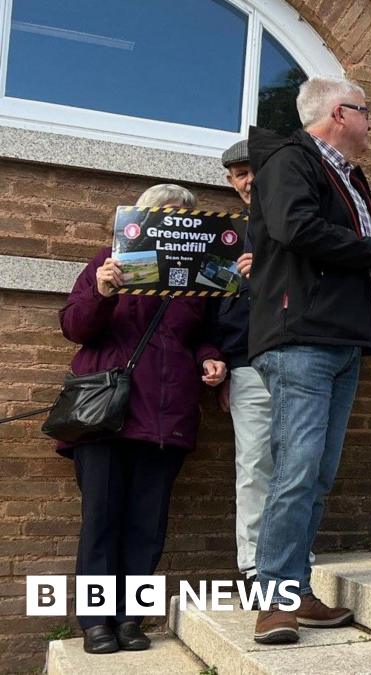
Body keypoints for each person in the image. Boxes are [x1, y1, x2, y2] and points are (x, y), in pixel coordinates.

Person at [248, 76, 371, 644]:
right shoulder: (290, 161)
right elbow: (297, 228)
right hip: (302, 339)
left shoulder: (350, 176)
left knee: (316, 475)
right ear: (340, 113)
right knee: (295, 471)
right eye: (367, 112)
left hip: (342, 339)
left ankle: (295, 589)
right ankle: (272, 598)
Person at [60, 184, 226, 654]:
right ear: (144, 218)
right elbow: (75, 327)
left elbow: (203, 335)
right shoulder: (106, 261)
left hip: (166, 416)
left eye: (183, 219)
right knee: (102, 521)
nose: (174, 225)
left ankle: (131, 619)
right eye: (164, 216)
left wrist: (212, 358)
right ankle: (96, 622)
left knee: (147, 526)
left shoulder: (198, 276)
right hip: (106, 417)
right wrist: (102, 291)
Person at [208, 140, 314, 589]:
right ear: (232, 183)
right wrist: (222, 362)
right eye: (239, 174)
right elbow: (212, 307)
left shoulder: (295, 223)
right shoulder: (224, 237)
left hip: (297, 358)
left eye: (254, 170)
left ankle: (295, 557)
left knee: (301, 464)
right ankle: (253, 564)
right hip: (248, 365)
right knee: (254, 465)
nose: (248, 180)